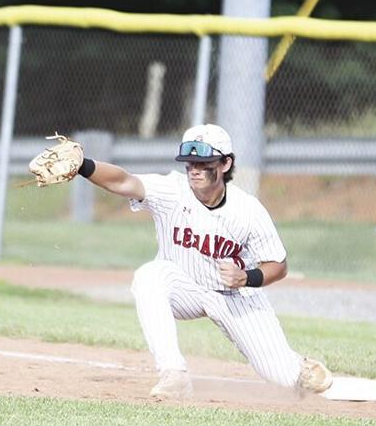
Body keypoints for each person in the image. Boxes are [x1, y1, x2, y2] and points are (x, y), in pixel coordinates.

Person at [74, 123, 334, 400]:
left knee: (283, 377)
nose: (194, 169)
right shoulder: (172, 190)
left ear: (225, 163)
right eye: (189, 163)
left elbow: (278, 266)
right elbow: (124, 181)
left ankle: (299, 368)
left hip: (233, 295)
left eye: (203, 162)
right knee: (149, 277)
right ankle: (173, 374)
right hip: (183, 286)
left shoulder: (247, 210)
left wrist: (247, 277)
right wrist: (83, 165)